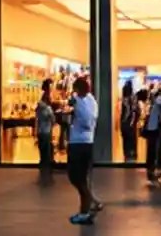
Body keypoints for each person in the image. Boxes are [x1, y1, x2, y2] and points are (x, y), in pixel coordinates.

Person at [66, 76, 102, 226]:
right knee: (81, 178)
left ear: (78, 89)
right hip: (87, 142)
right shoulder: (91, 100)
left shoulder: (80, 102)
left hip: (78, 143)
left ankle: (85, 212)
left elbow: (86, 121)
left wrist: (76, 108)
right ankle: (89, 204)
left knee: (77, 178)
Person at [143, 87, 161, 184]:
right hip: (157, 128)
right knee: (157, 149)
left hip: (151, 128)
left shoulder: (153, 104)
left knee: (151, 149)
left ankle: (150, 168)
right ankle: (155, 168)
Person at [35, 86, 56, 177]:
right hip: (46, 131)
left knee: (41, 149)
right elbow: (53, 119)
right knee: (47, 149)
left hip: (40, 131)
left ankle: (42, 163)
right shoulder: (48, 109)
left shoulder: (38, 108)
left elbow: (37, 119)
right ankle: (47, 166)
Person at [119, 80, 139, 162]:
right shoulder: (133, 98)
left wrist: (125, 121)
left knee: (126, 138)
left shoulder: (126, 99)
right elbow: (134, 111)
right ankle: (132, 153)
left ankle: (127, 154)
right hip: (130, 122)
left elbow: (127, 112)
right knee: (131, 138)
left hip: (127, 122)